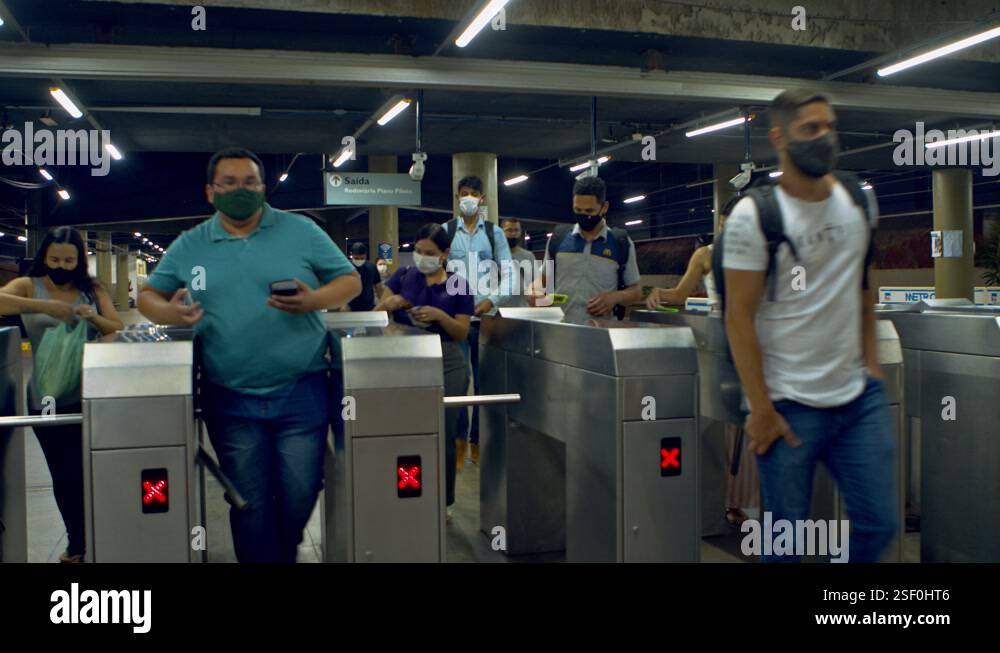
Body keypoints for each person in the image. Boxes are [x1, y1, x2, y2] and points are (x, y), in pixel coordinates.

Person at [138, 147, 361, 563]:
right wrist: (171, 312)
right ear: (211, 191)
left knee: (302, 488)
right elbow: (149, 294)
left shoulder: (302, 231)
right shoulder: (191, 244)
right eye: (230, 183)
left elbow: (349, 282)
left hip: (302, 387)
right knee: (249, 500)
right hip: (230, 394)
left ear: (263, 186)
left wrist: (315, 300)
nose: (241, 190)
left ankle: (281, 550)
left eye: (250, 182)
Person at [722, 89, 896, 562]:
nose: (825, 138)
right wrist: (760, 407)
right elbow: (738, 317)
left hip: (857, 398)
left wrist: (873, 365)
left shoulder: (857, 200)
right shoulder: (753, 216)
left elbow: (863, 284)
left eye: (830, 127)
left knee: (880, 523)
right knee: (786, 546)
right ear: (780, 138)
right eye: (811, 129)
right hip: (787, 405)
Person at [0, 226, 124, 563]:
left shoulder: (90, 288)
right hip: (47, 399)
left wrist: (94, 316)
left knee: (94, 470)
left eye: (69, 260)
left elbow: (118, 327)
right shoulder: (30, 284)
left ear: (79, 260)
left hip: (91, 394)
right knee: (66, 473)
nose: (62, 265)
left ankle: (103, 535)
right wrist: (45, 305)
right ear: (45, 256)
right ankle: (78, 546)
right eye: (55, 258)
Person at [645, 196, 759, 525]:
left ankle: (752, 500)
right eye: (723, 227)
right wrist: (653, 293)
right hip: (721, 341)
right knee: (725, 422)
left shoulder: (762, 253)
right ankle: (731, 500)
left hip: (757, 341)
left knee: (753, 421)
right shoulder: (706, 254)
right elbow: (680, 294)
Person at [374, 223, 473, 521]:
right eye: (417, 250)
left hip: (448, 362)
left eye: (429, 253)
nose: (421, 257)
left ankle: (442, 501)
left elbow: (462, 333)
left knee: (442, 432)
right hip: (407, 359)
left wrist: (440, 315)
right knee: (407, 429)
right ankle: (408, 491)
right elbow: (377, 314)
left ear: (444, 254)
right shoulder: (405, 276)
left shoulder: (458, 283)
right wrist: (388, 303)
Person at [444, 176, 512, 469]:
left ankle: (478, 443)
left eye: (473, 194)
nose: (468, 198)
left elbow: (510, 275)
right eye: (463, 194)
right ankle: (457, 444)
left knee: (486, 385)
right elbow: (435, 274)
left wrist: (492, 300)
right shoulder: (446, 232)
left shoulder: (494, 234)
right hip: (455, 322)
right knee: (458, 386)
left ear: (482, 198)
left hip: (486, 321)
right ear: (457, 197)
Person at [532, 176, 643, 324]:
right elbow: (543, 280)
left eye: (589, 211)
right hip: (561, 330)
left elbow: (636, 292)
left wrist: (614, 297)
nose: (584, 215)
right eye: (578, 210)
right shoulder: (558, 239)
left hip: (601, 332)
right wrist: (536, 291)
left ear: (604, 207)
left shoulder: (620, 243)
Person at [501, 217, 539, 308]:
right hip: (498, 312)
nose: (513, 234)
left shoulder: (529, 256)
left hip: (522, 311)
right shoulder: (493, 256)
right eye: (509, 230)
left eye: (516, 230)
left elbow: (536, 285)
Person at [345, 242, 384, 311]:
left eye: (361, 258)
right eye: (356, 258)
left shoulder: (371, 268)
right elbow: (340, 288)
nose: (359, 260)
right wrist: (343, 304)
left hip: (369, 307)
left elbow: (379, 289)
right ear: (351, 255)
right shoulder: (346, 268)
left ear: (365, 256)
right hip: (349, 307)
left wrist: (382, 305)